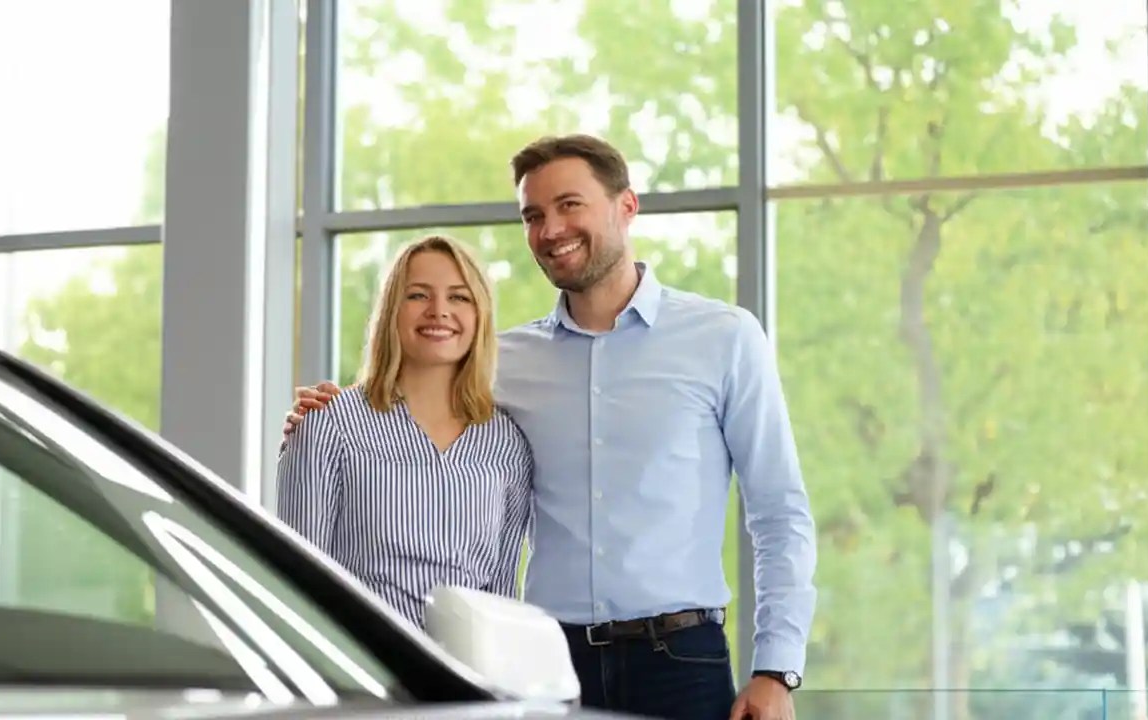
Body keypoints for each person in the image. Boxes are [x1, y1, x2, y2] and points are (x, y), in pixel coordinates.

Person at [284, 134, 817, 720]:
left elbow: (778, 512)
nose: (551, 229)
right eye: (533, 215)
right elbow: (420, 395)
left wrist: (776, 669)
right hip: (548, 664)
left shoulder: (724, 338)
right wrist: (333, 409)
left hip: (681, 663)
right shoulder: (501, 363)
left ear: (627, 206)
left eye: (570, 205)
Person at [275, 234, 533, 630]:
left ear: (479, 315)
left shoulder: (506, 444)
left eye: (459, 297)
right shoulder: (331, 425)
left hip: (467, 681)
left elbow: (500, 594)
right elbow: (297, 584)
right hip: (365, 674)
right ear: (391, 311)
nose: (439, 311)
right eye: (418, 295)